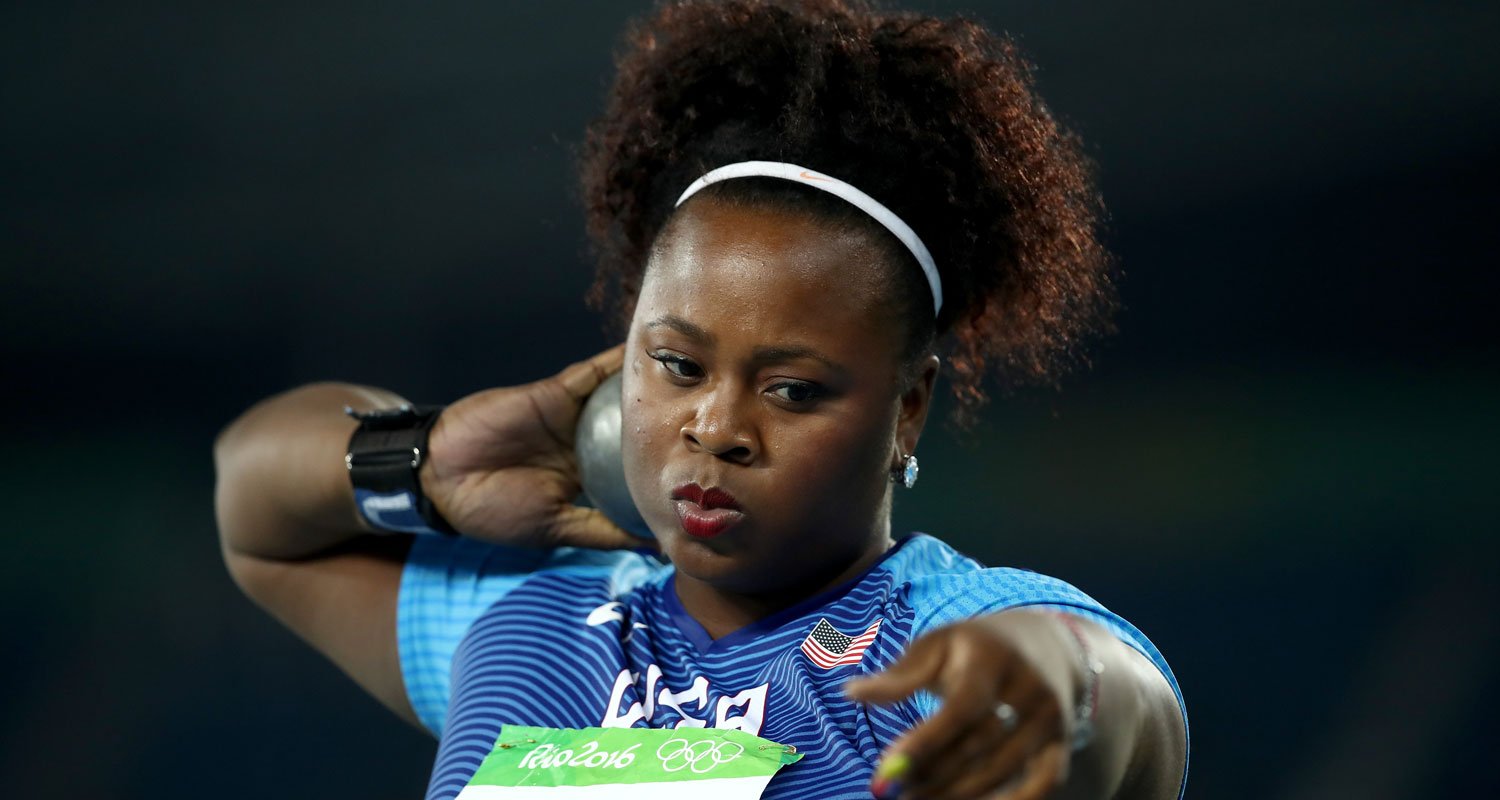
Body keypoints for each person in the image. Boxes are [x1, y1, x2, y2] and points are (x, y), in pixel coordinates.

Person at [213, 1, 1189, 798]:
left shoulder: (936, 646)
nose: (716, 426)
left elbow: (1121, 709)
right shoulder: (524, 619)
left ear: (907, 410)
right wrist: (429, 463)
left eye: (793, 388)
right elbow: (254, 507)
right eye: (677, 365)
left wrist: (1051, 676)